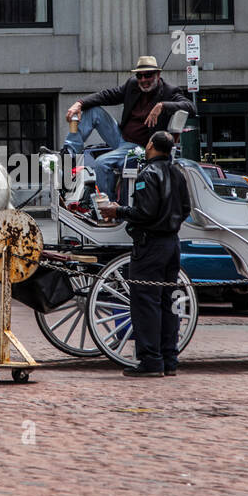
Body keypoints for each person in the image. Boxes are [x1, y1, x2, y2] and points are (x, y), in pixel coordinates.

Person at [99, 130, 190, 378]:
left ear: (150, 146)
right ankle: (169, 359)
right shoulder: (177, 173)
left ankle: (151, 360)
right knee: (167, 302)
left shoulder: (147, 174)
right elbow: (185, 208)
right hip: (172, 243)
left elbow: (145, 212)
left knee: (146, 302)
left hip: (150, 246)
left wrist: (117, 211)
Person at [64, 55, 196, 201]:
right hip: (121, 137)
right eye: (139, 76)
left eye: (148, 75)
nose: (143, 80)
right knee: (94, 111)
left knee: (101, 163)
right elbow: (107, 95)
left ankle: (107, 208)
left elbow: (191, 107)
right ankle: (69, 152)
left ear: (158, 75)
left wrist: (162, 106)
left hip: (140, 147)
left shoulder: (169, 92)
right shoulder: (132, 85)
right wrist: (79, 103)